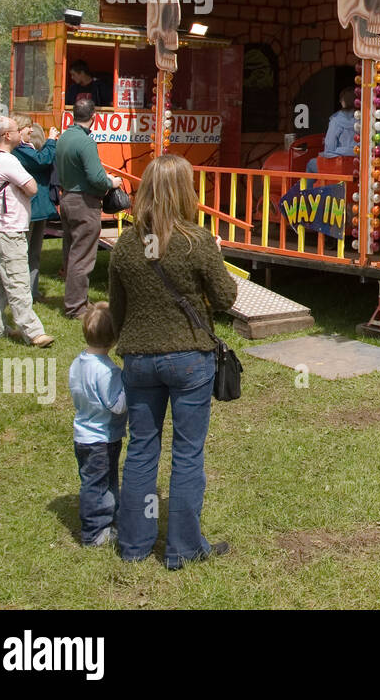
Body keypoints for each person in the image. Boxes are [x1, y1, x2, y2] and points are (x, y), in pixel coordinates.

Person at [110, 153, 238, 568]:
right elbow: (225, 298)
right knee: (187, 454)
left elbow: (116, 312)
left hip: (139, 359)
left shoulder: (126, 244)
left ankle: (134, 544)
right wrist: (217, 255)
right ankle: (183, 548)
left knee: (142, 449)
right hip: (188, 359)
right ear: (186, 191)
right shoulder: (196, 241)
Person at [0, 116, 54, 347]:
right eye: (16, 130)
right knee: (18, 282)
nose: (23, 133)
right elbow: (32, 187)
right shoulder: (7, 161)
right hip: (9, 230)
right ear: (7, 136)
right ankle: (33, 332)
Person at [56, 99, 121, 319]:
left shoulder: (64, 137)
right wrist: (111, 182)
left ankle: (76, 299)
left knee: (72, 251)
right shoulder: (85, 142)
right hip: (84, 203)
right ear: (94, 116)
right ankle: (76, 307)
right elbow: (96, 177)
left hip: (67, 198)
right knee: (82, 256)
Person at [69, 301, 126, 548]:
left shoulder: (78, 363)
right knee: (96, 485)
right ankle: (94, 532)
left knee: (100, 481)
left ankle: (110, 519)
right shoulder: (107, 371)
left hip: (83, 434)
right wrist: (130, 382)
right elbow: (118, 405)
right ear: (114, 339)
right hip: (101, 438)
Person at [11, 117, 60, 300]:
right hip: (29, 209)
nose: (31, 131)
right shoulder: (19, 150)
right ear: (19, 129)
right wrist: (51, 142)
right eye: (28, 127)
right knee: (24, 253)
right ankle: (22, 293)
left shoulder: (26, 148)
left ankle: (32, 290)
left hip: (38, 208)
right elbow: (42, 160)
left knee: (34, 253)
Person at [307, 86, 380, 172]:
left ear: (344, 102)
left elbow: (329, 150)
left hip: (341, 169)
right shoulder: (372, 119)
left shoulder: (336, 120)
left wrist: (346, 150)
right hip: (368, 170)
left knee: (311, 163)